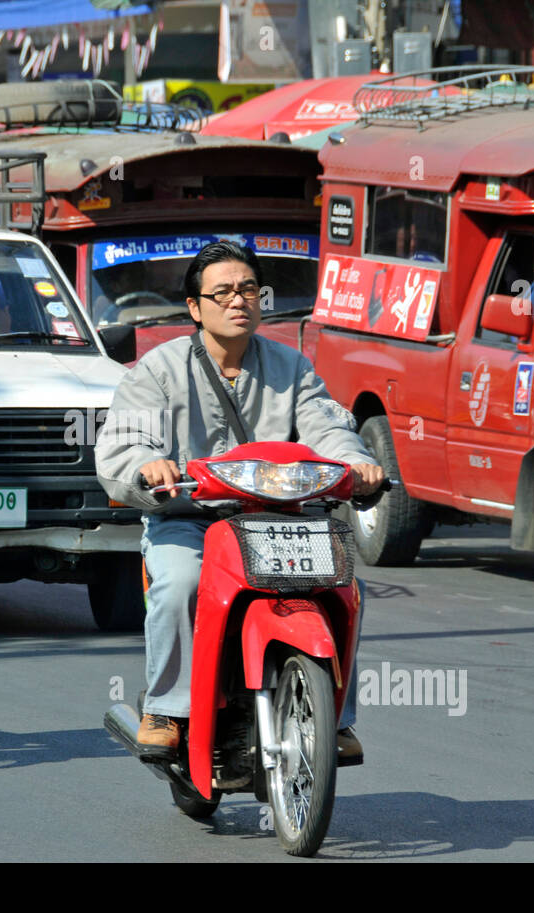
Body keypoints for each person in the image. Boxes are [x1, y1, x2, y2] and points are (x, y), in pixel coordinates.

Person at [95, 241, 384, 761]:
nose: (238, 301)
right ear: (194, 307)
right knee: (181, 581)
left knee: (344, 585)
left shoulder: (292, 367)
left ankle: (335, 716)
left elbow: (328, 427)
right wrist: (148, 465)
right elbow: (128, 439)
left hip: (282, 520)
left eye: (248, 289)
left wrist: (356, 463)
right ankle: (166, 707)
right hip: (191, 519)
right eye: (223, 291)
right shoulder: (157, 369)